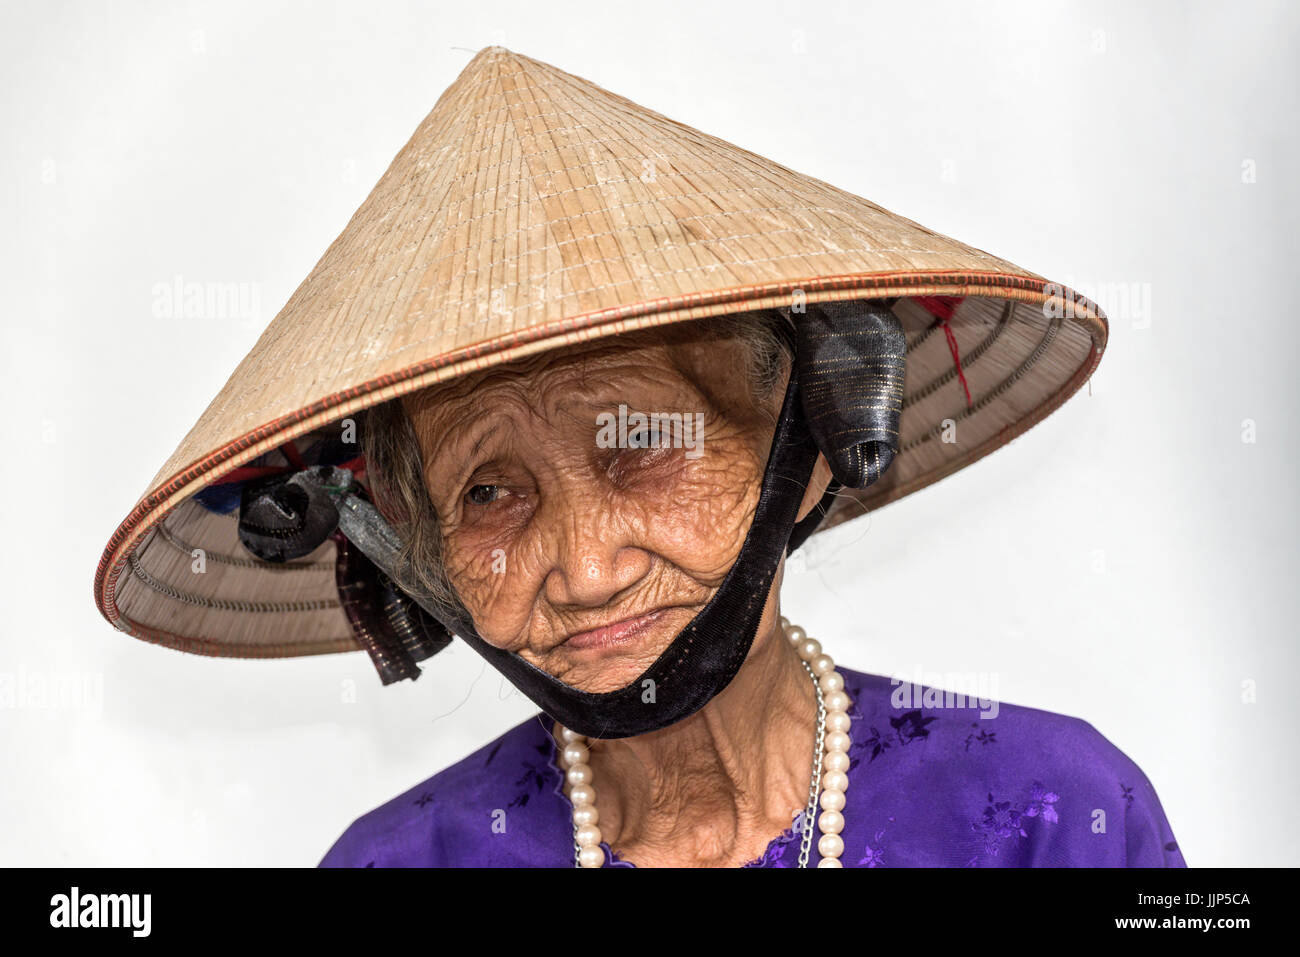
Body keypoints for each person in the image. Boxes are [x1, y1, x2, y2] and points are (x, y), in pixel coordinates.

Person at [94, 46, 1184, 868]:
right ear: (410, 551)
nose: (585, 568)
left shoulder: (1053, 811)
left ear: (807, 444)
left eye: (643, 447)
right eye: (487, 492)